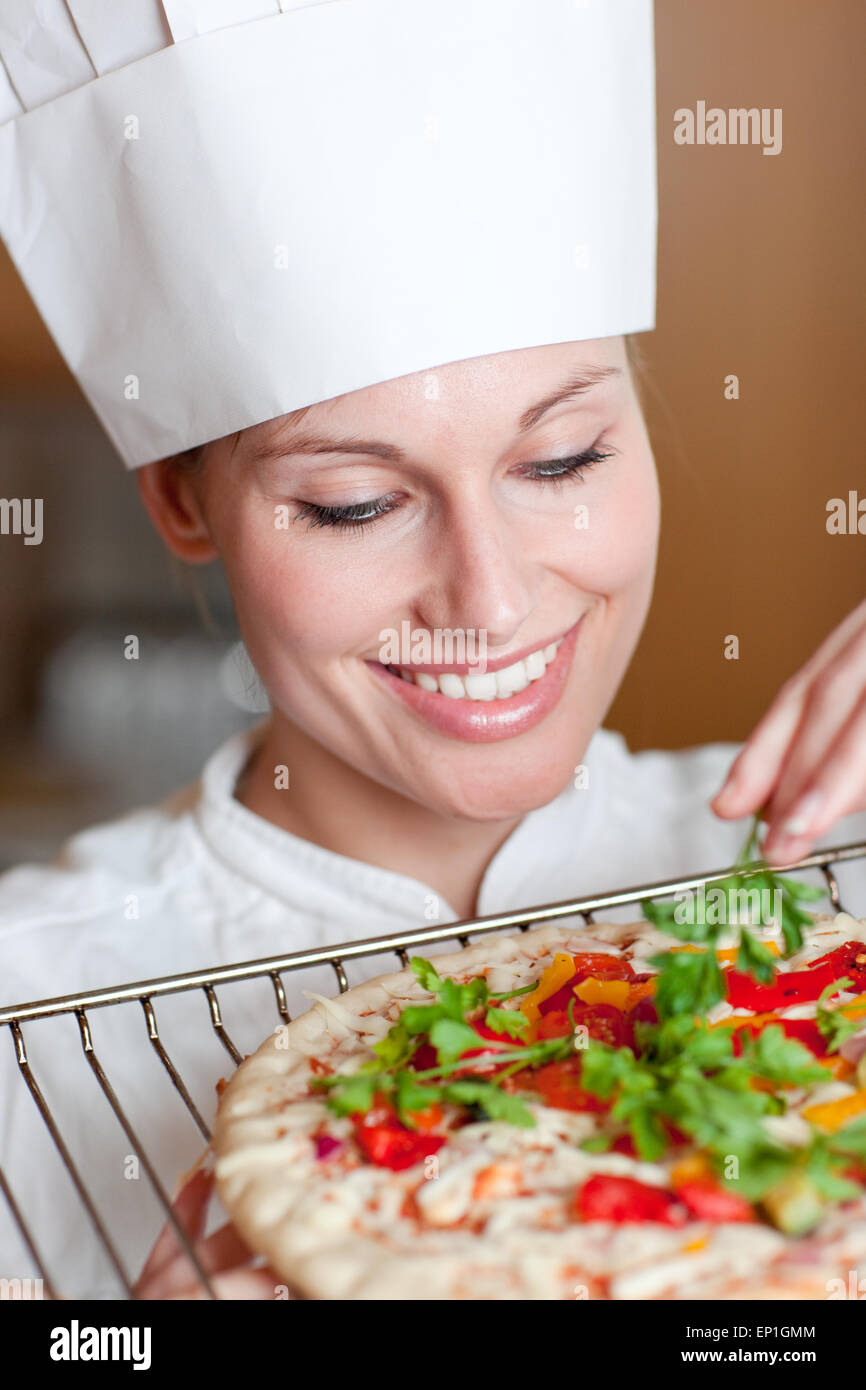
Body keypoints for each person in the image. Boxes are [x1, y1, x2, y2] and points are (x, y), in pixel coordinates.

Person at [0, 1, 863, 1300]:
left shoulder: (829, 854)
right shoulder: (34, 1014)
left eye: (560, 458)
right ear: (181, 499)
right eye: (356, 502)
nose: (494, 594)